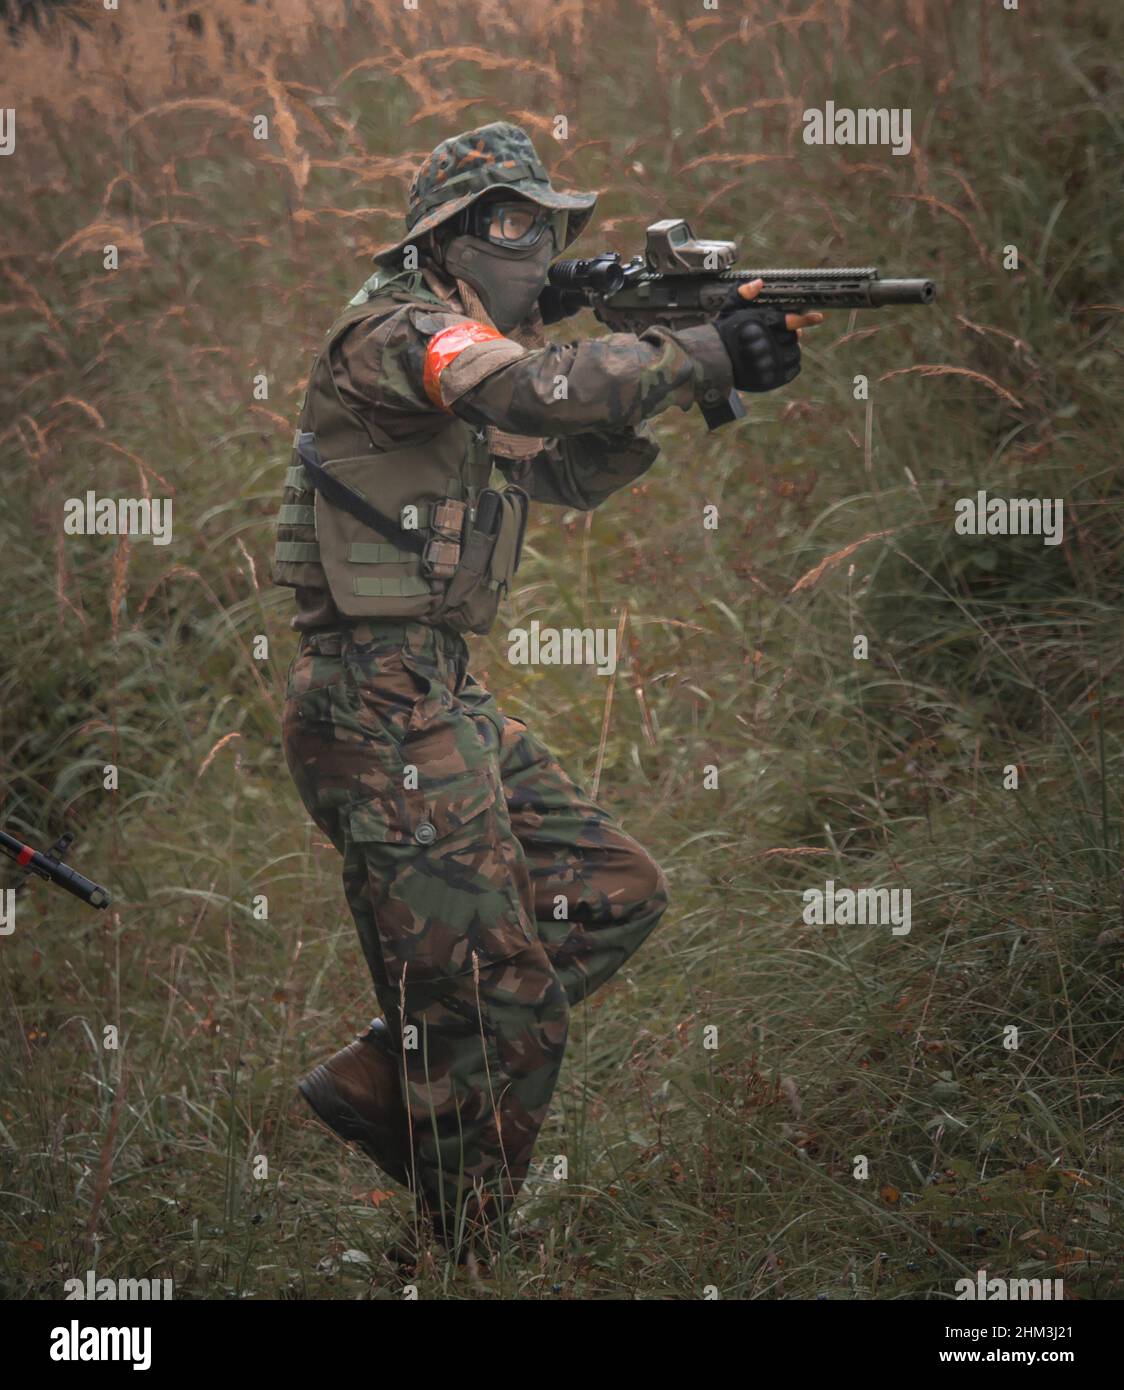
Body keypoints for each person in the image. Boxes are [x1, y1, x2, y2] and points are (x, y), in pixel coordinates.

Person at [273, 120, 821, 1266]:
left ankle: (402, 1060)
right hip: (376, 713)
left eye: (551, 230)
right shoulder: (396, 332)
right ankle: (457, 1255)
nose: (540, 247)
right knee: (495, 999)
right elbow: (527, 397)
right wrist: (698, 353)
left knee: (613, 888)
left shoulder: (469, 346)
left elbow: (560, 467)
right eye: (518, 227)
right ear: (453, 238)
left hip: (439, 698)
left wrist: (662, 366)